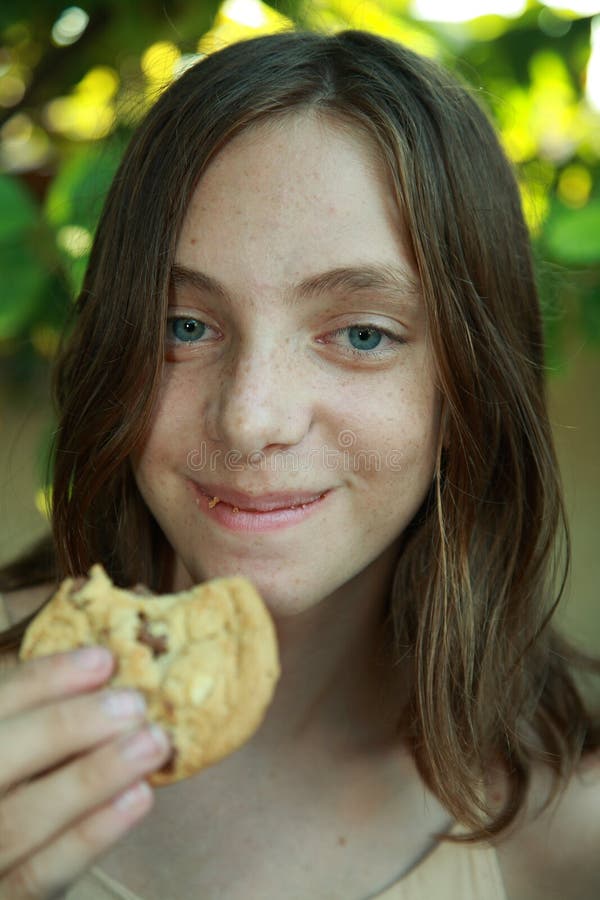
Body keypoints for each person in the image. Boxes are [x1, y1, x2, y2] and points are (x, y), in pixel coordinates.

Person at [0, 27, 599, 900]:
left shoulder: (569, 836)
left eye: (361, 334)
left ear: (471, 386)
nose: (250, 419)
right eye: (184, 326)